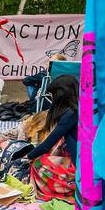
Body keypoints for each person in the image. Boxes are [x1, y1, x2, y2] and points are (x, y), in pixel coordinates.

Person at [25, 74, 79, 202]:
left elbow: (47, 144)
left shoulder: (71, 113)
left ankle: (67, 189)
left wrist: (28, 157)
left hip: (81, 167)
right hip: (84, 160)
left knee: (39, 163)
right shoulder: (79, 108)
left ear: (61, 95)